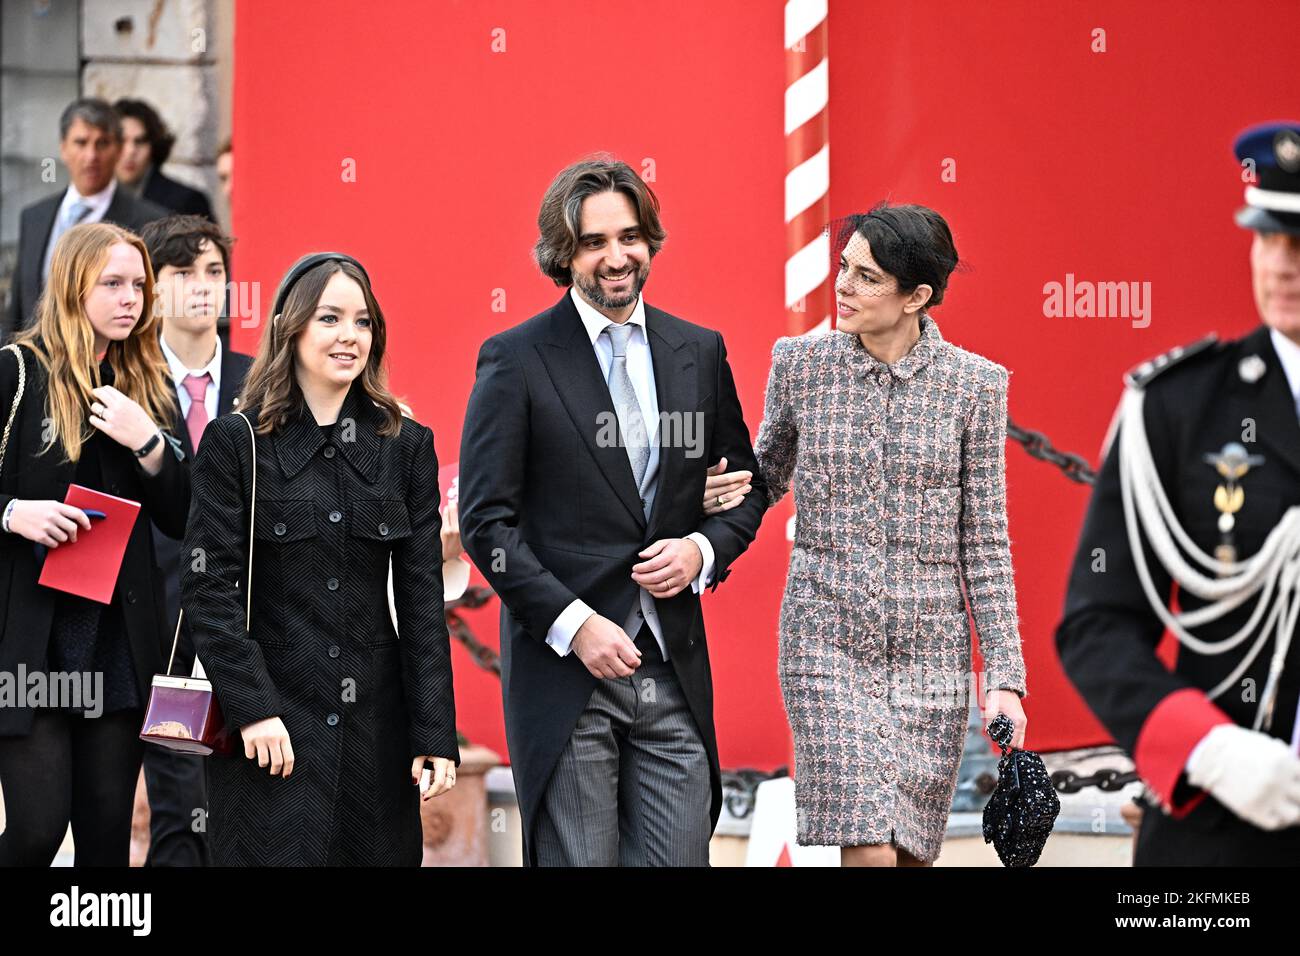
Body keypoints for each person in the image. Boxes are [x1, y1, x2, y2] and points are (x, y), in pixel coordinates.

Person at [458, 156, 768, 866]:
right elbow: (485, 522)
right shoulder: (516, 358)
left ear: (649, 240)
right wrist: (576, 626)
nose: (616, 256)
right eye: (594, 242)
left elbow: (742, 486)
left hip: (672, 673)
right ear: (562, 255)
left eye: (629, 236)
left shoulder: (698, 350)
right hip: (568, 676)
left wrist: (702, 551)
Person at [752, 203, 1028, 867]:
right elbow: (763, 479)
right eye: (844, 269)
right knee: (868, 846)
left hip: (931, 654)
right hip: (825, 645)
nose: (843, 287)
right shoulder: (800, 366)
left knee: (908, 854)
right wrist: (700, 501)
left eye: (867, 277)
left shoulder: (976, 386)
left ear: (917, 297)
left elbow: (985, 544)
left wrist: (1006, 676)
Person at [1055, 121, 1300, 864]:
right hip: (1228, 829)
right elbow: (1096, 625)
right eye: (1269, 239)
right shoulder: (1181, 407)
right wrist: (1209, 749)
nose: (1283, 266)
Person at [179, 252, 458, 866]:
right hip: (270, 733)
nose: (349, 336)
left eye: (362, 322)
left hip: (375, 738)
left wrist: (435, 732)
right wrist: (252, 710)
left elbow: (420, 603)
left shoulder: (406, 448)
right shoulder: (237, 443)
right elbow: (208, 589)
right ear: (291, 327)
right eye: (330, 318)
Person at [0, 221, 190, 866]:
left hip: (118, 644)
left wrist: (149, 443)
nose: (130, 298)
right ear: (72, 285)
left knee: (107, 843)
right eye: (112, 283)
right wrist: (12, 513)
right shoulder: (18, 372)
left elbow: (181, 515)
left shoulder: (147, 382)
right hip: (34, 643)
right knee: (35, 830)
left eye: (138, 284)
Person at [136, 214, 253, 866]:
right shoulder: (124, 384)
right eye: (183, 273)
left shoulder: (262, 380)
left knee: (247, 809)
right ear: (154, 289)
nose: (204, 287)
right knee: (182, 814)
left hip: (253, 620)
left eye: (214, 271)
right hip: (159, 623)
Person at [7, 99, 169, 337]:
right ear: (63, 148)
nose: (91, 155)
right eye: (81, 143)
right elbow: (18, 308)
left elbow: (154, 311)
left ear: (118, 150)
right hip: (34, 363)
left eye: (102, 144)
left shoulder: (150, 222)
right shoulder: (34, 217)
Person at [114, 99, 216, 221]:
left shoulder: (186, 201)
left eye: (140, 142)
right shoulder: (93, 200)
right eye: (121, 141)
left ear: (153, 146)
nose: (130, 151)